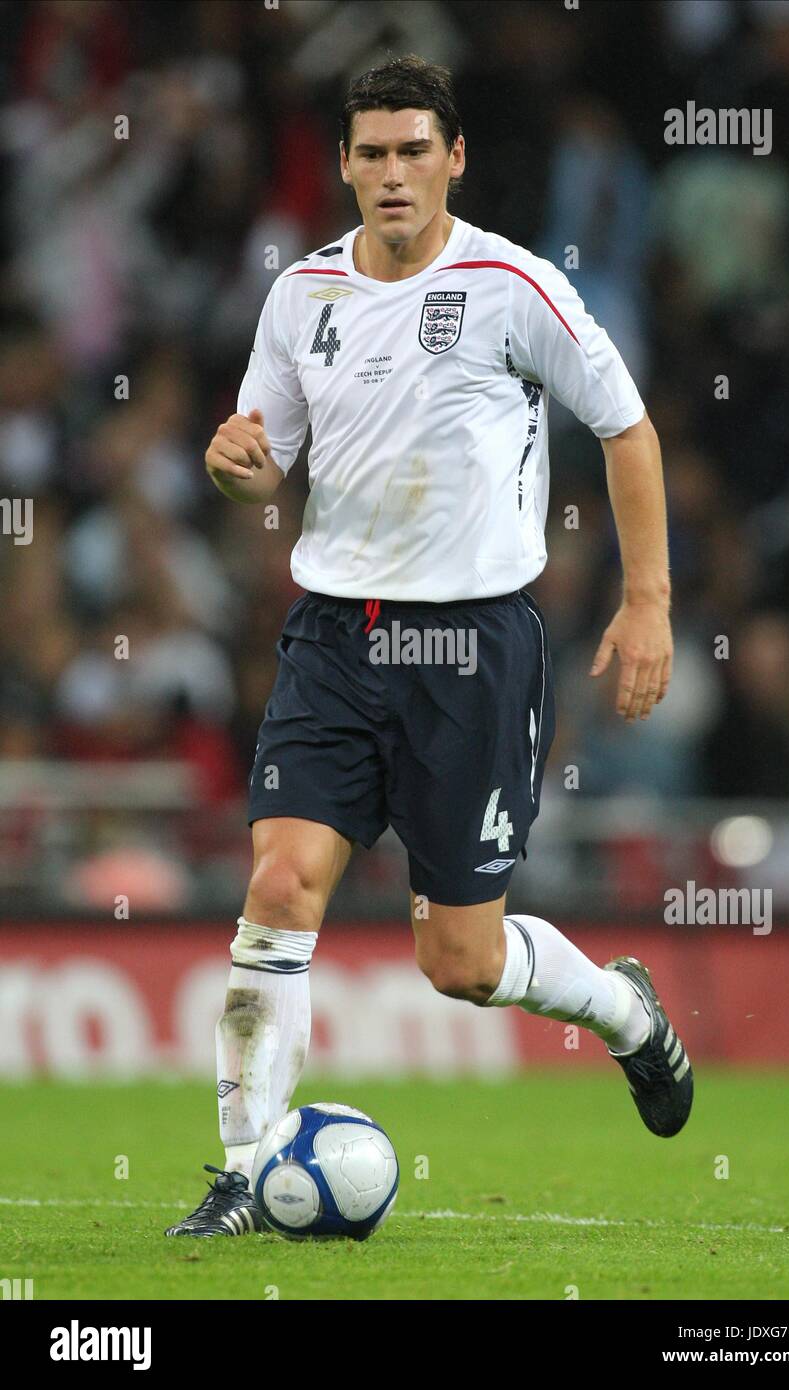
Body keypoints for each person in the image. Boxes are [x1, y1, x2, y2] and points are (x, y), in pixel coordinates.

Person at [166, 54, 691, 1238]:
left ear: (454, 158)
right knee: (276, 884)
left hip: (473, 647)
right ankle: (247, 1172)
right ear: (345, 165)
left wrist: (648, 598)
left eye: (415, 150)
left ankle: (622, 1012)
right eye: (371, 153)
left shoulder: (513, 285)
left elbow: (627, 426)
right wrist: (232, 463)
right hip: (335, 637)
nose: (392, 173)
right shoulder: (301, 295)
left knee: (457, 957)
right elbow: (261, 453)